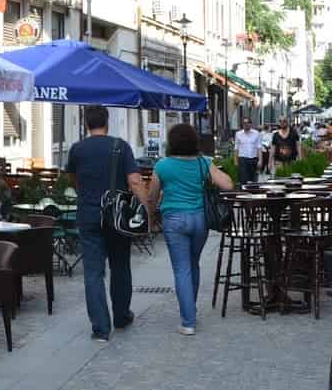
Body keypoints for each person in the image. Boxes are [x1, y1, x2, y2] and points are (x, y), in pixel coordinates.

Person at [64, 106, 150, 341]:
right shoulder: (120, 146)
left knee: (93, 272)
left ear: (85, 123)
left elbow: (72, 178)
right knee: (121, 265)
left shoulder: (77, 149)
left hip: (88, 215)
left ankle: (101, 329)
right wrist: (145, 210)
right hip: (116, 217)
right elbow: (134, 181)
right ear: (107, 122)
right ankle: (121, 316)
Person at [148, 123, 234, 335]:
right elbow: (228, 185)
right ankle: (191, 309)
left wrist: (151, 215)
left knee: (181, 269)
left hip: (174, 220)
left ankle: (188, 321)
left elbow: (152, 196)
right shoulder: (203, 163)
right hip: (199, 220)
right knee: (192, 264)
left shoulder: (162, 165)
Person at [233, 118, 261, 184]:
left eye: (247, 123)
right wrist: (235, 161)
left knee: (253, 179)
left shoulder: (256, 133)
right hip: (243, 159)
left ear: (251, 124)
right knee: (243, 179)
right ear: (242, 125)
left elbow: (259, 147)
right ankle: (243, 192)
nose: (246, 125)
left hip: (253, 159)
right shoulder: (238, 134)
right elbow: (236, 148)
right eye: (244, 123)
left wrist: (260, 160)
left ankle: (253, 192)